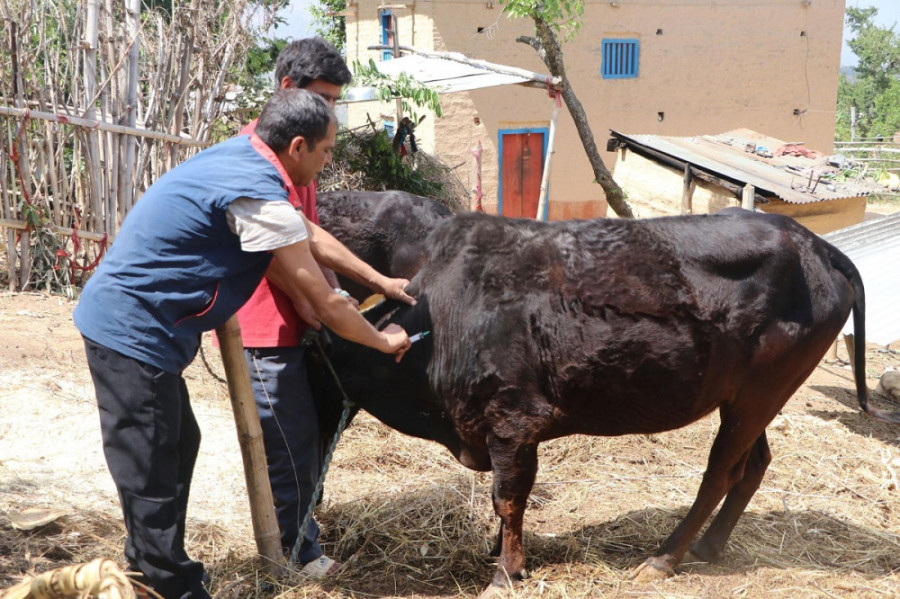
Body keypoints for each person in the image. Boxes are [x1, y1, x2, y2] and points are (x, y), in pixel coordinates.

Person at [74, 89, 414, 599]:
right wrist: (381, 341)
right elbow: (325, 303)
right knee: (152, 465)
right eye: (325, 150)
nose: (327, 161)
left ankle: (150, 568)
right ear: (297, 147)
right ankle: (168, 584)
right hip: (132, 329)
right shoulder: (258, 194)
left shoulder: (247, 158)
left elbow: (308, 233)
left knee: (178, 443)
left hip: (144, 325)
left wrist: (381, 281)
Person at [224, 37, 355, 578]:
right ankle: (290, 559)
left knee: (301, 436)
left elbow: (310, 236)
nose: (330, 110)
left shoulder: (303, 150)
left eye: (335, 101)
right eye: (323, 97)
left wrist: (335, 293)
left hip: (294, 319)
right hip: (263, 323)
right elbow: (272, 254)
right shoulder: (256, 156)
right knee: (285, 441)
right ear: (287, 87)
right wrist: (319, 302)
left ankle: (299, 544)